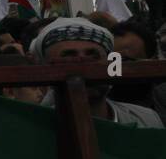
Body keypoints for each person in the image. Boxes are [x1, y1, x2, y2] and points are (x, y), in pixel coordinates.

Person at [33, 18, 162, 127]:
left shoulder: (146, 120)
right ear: (46, 67)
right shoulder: (34, 129)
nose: (83, 65)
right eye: (69, 57)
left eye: (93, 55)